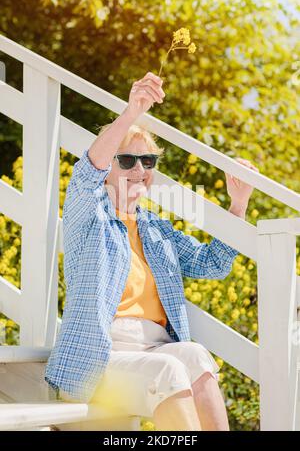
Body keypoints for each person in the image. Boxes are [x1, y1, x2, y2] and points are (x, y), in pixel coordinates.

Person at [45, 72, 259, 431]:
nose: (139, 169)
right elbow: (87, 171)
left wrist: (237, 207)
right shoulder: (89, 214)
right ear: (109, 168)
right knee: (171, 368)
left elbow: (212, 264)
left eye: (148, 162)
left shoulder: (156, 231)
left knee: (195, 356)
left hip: (154, 349)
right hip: (102, 356)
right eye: (126, 160)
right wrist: (132, 112)